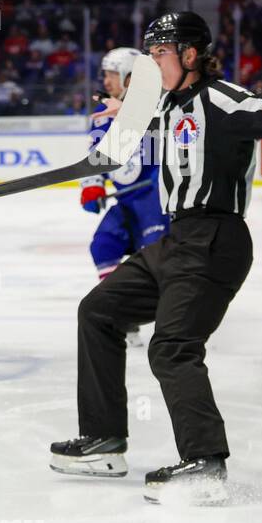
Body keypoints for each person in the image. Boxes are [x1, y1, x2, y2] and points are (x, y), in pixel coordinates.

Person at [50, 12, 262, 505]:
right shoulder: (163, 102)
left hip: (216, 238)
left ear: (191, 55)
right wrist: (111, 127)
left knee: (171, 346)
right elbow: (125, 140)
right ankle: (104, 439)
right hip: (176, 239)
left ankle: (205, 465)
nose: (154, 62)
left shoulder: (220, 97)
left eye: (162, 53)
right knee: (99, 311)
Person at [77, 46, 169, 347]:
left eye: (111, 74)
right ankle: (123, 315)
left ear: (129, 78)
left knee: (156, 255)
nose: (105, 80)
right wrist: (92, 185)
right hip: (126, 200)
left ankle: (173, 321)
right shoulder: (103, 117)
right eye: (104, 74)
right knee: (103, 245)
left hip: (155, 199)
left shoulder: (156, 108)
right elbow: (94, 156)